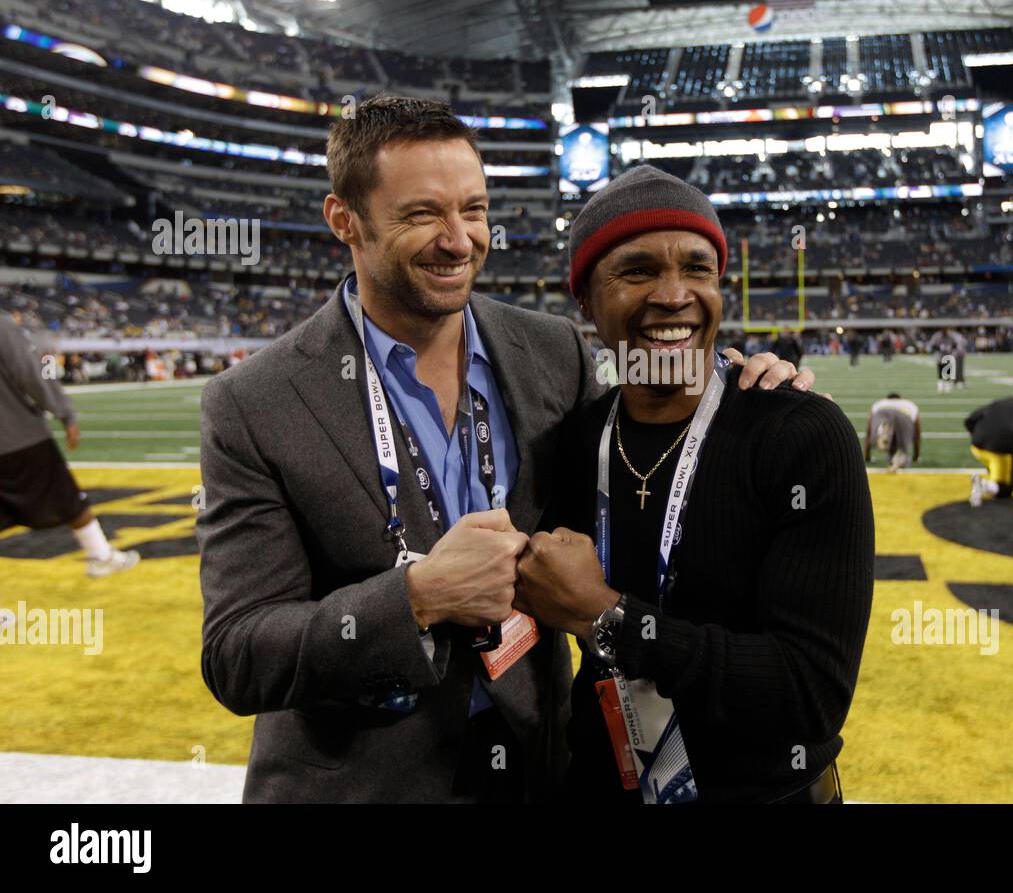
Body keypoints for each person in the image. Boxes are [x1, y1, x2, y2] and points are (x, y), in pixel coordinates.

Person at [196, 96, 811, 803]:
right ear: (345, 221)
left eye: (475, 209)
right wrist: (417, 598)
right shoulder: (253, 400)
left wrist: (745, 394)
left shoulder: (551, 352)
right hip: (363, 785)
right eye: (423, 214)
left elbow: (643, 488)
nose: (459, 240)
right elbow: (237, 655)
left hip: (539, 769)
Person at [512, 165, 873, 803]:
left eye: (698, 269)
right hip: (602, 784)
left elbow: (809, 696)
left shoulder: (800, 436)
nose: (674, 294)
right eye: (638, 269)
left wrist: (607, 618)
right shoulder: (573, 442)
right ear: (586, 301)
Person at [0, 311, 139, 576]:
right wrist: (64, 411)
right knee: (69, 499)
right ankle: (101, 556)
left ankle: (101, 555)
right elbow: (29, 373)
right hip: (18, 437)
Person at [866, 392, 921, 471]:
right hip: (904, 415)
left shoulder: (879, 403)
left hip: (882, 412)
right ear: (900, 398)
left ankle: (884, 432)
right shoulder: (910, 404)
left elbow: (869, 431)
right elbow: (917, 435)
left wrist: (867, 457)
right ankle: (899, 457)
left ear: (887, 398)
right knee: (902, 449)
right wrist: (916, 456)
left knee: (883, 433)